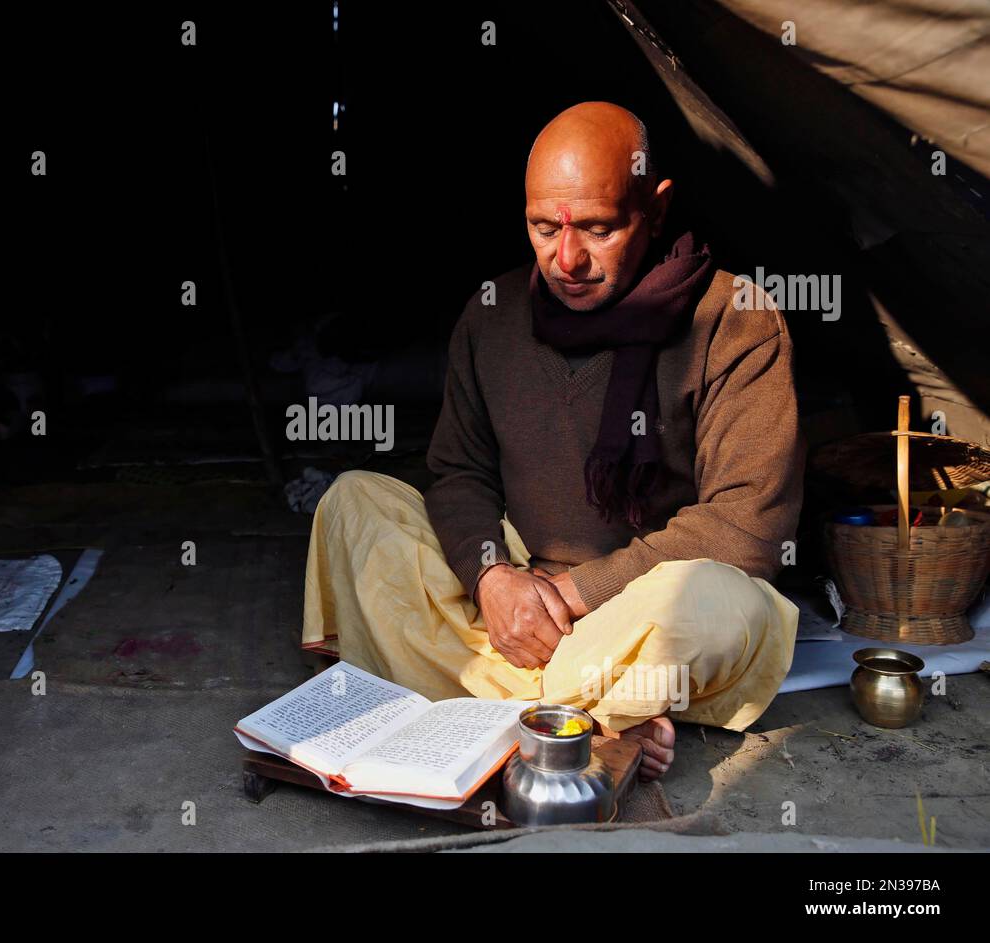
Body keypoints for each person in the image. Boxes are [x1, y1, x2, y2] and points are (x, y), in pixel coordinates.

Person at [302, 102, 805, 781]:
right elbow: (458, 472)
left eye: (598, 229)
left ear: (655, 210)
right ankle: (595, 719)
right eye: (543, 228)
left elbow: (749, 526)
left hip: (625, 615)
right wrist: (491, 579)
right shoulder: (491, 315)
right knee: (355, 501)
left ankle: (487, 707)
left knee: (722, 604)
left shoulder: (734, 321)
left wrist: (570, 595)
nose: (567, 259)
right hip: (506, 607)